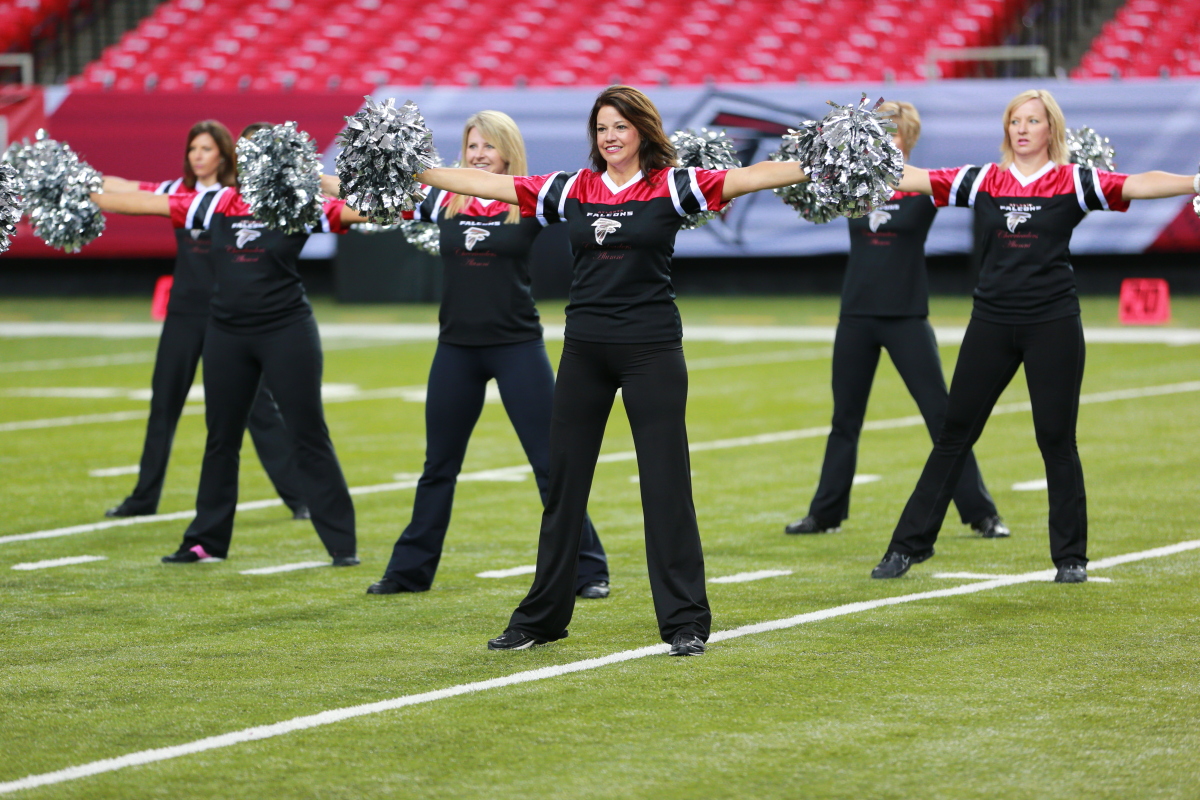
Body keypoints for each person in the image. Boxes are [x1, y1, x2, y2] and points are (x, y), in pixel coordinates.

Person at [407, 86, 815, 655]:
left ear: (643, 131)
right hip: (585, 352)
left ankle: (685, 622)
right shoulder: (574, 188)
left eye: (620, 127)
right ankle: (540, 618)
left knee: (666, 486)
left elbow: (750, 177)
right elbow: (492, 185)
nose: (610, 137)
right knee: (565, 488)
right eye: (602, 129)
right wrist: (419, 170)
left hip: (651, 352)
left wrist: (820, 159)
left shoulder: (673, 184)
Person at [870, 88, 1200, 583]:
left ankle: (1070, 557)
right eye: (1014, 121)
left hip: (1053, 323)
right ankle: (907, 546)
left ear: (1051, 130)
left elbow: (1136, 184)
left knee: (1056, 440)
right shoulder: (984, 178)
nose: (1021, 129)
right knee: (954, 435)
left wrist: (1194, 181)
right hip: (992, 322)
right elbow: (911, 177)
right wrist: (852, 158)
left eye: (1032, 121)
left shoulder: (1071, 180)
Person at [352, 111, 611, 598]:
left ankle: (589, 568)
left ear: (508, 152)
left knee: (550, 464)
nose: (478, 154)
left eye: (488, 146)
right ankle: (409, 573)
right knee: (438, 466)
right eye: (472, 146)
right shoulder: (444, 201)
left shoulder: (528, 201)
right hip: (455, 350)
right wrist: (308, 178)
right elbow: (369, 194)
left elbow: (590, 200)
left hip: (516, 347)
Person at [92, 122, 366, 566]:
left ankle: (341, 543)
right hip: (227, 332)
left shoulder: (298, 206)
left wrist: (314, 178)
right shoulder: (216, 201)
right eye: (248, 152)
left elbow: (368, 210)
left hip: (286, 330)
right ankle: (206, 541)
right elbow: (139, 202)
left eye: (265, 153)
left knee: (308, 432)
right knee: (221, 437)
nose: (254, 160)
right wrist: (70, 189)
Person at [785, 101, 1009, 540]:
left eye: (892, 131)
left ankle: (981, 513)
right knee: (844, 419)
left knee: (942, 416)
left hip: (907, 315)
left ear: (907, 138)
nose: (884, 137)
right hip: (855, 315)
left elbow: (974, 194)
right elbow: (807, 193)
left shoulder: (921, 187)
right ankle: (825, 513)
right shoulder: (853, 185)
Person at [101, 120, 309, 522]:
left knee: (258, 410)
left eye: (206, 149)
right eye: (193, 148)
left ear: (225, 155)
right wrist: (75, 181)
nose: (198, 156)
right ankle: (144, 498)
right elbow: (126, 187)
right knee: (163, 405)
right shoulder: (177, 192)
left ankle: (300, 496)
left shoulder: (235, 198)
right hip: (182, 314)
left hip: (225, 316)